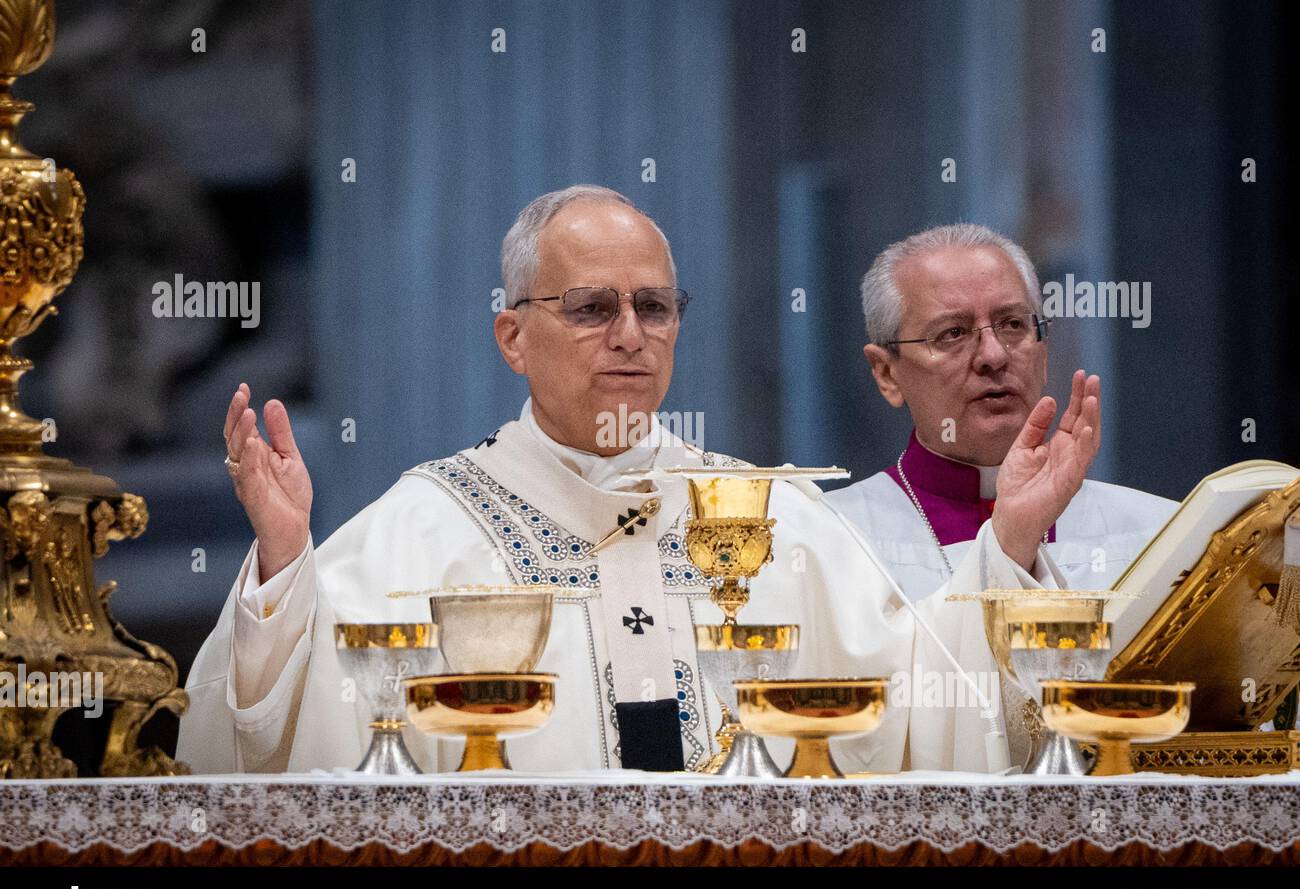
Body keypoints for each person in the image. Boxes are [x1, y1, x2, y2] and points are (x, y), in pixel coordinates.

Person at [178, 189, 1101, 776]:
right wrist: (283, 558)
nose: (631, 333)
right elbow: (274, 730)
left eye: (654, 306)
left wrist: (1008, 542)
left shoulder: (769, 515)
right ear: (512, 338)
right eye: (591, 309)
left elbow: (917, 704)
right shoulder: (422, 528)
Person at [826, 224, 1176, 764]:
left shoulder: (1164, 535)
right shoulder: (829, 541)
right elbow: (852, 754)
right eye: (952, 334)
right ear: (885, 373)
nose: (992, 354)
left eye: (1013, 325)